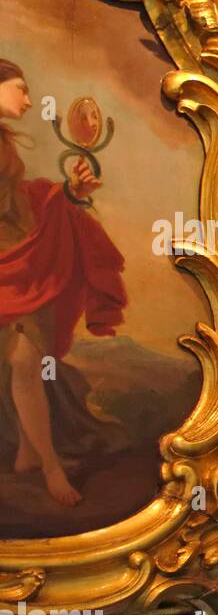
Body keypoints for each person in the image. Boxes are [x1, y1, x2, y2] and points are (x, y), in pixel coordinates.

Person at [0, 59, 126, 506]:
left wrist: (68, 193)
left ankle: (31, 456)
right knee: (22, 362)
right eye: (21, 88)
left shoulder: (4, 144)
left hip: (22, 260)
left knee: (23, 360)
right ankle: (47, 464)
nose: (29, 99)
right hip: (10, 266)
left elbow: (22, 202)